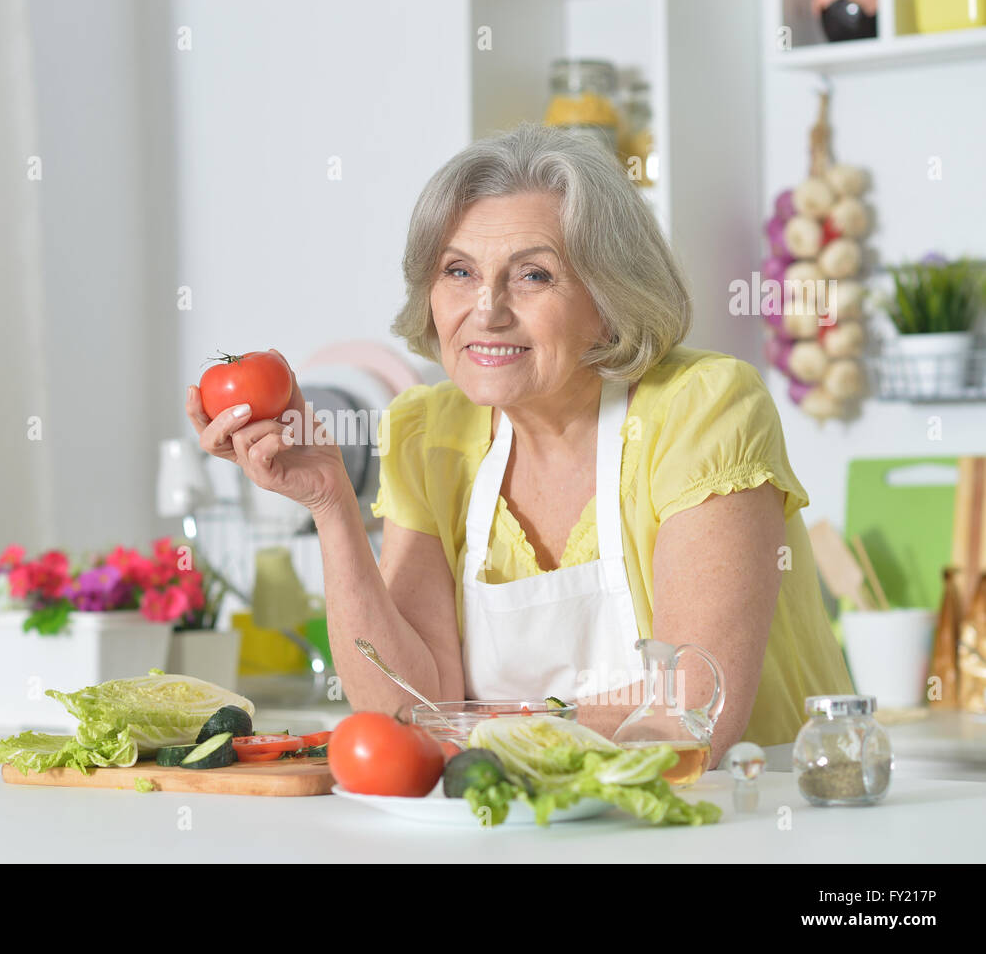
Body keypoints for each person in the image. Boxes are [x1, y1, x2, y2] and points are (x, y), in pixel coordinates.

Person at [185, 124, 853, 767]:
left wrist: (479, 724)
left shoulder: (703, 407)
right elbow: (407, 710)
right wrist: (330, 504)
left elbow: (690, 714)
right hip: (527, 819)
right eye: (458, 272)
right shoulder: (428, 429)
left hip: (740, 817)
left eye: (533, 275)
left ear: (609, 299)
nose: (487, 309)